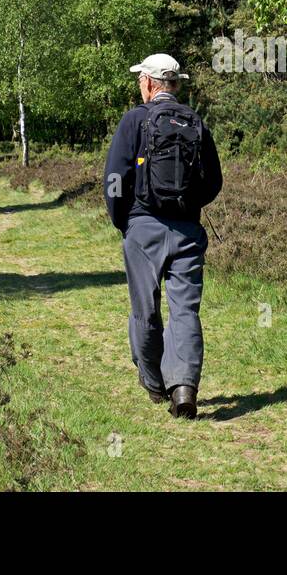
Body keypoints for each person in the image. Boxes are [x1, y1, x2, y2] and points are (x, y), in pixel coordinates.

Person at [103, 53, 222, 419]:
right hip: (187, 231)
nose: (140, 84)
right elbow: (213, 182)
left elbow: (115, 179)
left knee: (145, 308)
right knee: (185, 309)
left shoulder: (134, 121)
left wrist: (124, 221)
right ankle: (184, 388)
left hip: (142, 228)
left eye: (141, 79)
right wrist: (187, 208)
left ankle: (155, 384)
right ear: (176, 84)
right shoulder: (195, 122)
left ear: (151, 84)